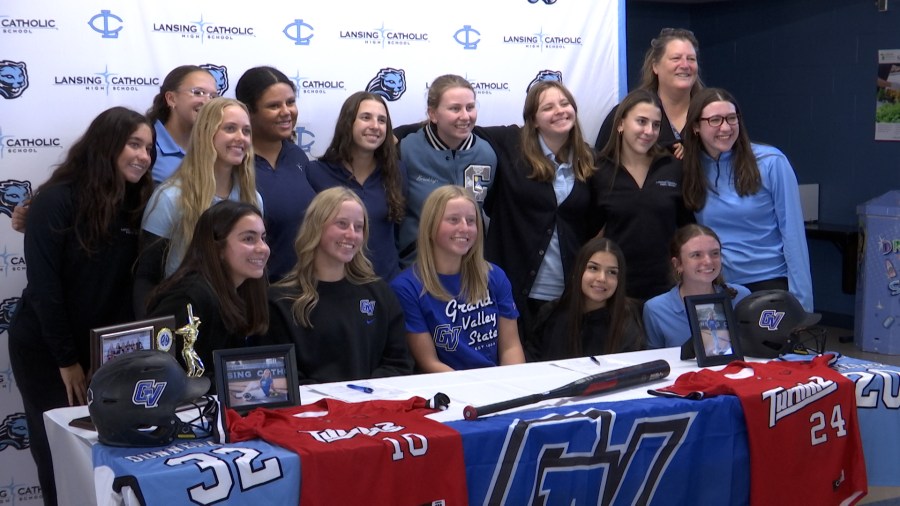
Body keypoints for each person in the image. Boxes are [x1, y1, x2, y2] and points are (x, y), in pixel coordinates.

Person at [7, 107, 155, 506]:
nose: (144, 156)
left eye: (149, 148)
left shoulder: (141, 201)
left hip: (106, 354)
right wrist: (67, 361)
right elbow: (45, 289)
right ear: (106, 146)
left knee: (105, 455)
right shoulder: (57, 200)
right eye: (134, 144)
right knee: (58, 453)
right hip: (48, 350)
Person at [478, 80, 599, 335]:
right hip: (512, 293)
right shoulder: (509, 143)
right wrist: (397, 135)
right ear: (532, 120)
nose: (560, 111)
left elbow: (592, 223)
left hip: (568, 295)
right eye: (548, 107)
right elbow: (459, 128)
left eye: (565, 104)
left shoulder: (588, 160)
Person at [681, 88, 813, 311]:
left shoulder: (771, 162)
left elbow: (793, 235)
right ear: (696, 126)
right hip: (717, 284)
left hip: (769, 282)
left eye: (732, 118)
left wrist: (802, 303)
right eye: (715, 120)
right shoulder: (690, 168)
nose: (725, 127)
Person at [263, 187, 412, 384]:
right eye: (342, 224)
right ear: (316, 226)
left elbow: (399, 363)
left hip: (371, 407)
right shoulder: (280, 301)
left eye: (358, 227)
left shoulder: (379, 293)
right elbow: (281, 378)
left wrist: (362, 397)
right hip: (312, 411)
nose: (351, 234)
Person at [136, 97, 263, 314]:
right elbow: (146, 278)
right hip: (184, 321)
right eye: (230, 128)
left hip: (235, 320)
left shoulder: (252, 198)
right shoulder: (170, 197)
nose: (241, 138)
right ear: (206, 133)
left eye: (246, 131)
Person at [391, 185, 525, 372]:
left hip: (496, 384)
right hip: (448, 390)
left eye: (471, 221)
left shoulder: (495, 276)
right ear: (430, 226)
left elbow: (510, 348)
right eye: (453, 220)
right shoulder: (406, 287)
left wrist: (513, 385)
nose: (464, 228)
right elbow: (429, 363)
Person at [147, 200, 269, 384]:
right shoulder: (188, 297)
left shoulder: (242, 290)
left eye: (263, 238)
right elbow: (165, 376)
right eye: (249, 239)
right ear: (217, 248)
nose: (263, 248)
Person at [593, 89, 693, 301]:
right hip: (614, 291)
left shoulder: (673, 166)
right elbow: (588, 236)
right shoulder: (597, 171)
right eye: (641, 121)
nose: (649, 131)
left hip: (665, 291)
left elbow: (687, 228)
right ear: (620, 124)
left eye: (656, 125)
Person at [395, 74, 498, 264]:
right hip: (416, 266)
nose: (465, 116)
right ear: (433, 114)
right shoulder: (406, 150)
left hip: (467, 268)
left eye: (470, 107)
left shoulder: (487, 154)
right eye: (454, 108)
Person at [307, 91, 406, 280]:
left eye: (382, 120)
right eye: (366, 117)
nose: (375, 126)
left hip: (386, 286)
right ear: (348, 122)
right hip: (336, 286)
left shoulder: (397, 172)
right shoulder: (315, 173)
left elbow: (398, 233)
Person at [235, 66, 315, 281]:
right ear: (248, 111)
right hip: (255, 293)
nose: (286, 112)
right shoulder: (234, 162)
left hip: (302, 290)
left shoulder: (297, 155)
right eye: (273, 106)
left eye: (290, 102)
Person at [529, 237, 644, 361]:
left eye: (612, 272)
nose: (602, 278)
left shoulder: (626, 324)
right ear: (578, 271)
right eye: (593, 268)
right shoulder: (551, 313)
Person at [594, 28, 702, 159]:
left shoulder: (710, 115)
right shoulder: (626, 113)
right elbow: (600, 167)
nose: (685, 65)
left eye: (691, 59)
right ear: (655, 66)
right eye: (676, 58)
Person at [643, 224, 751, 349]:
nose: (708, 261)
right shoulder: (656, 309)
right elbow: (654, 359)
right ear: (678, 264)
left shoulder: (741, 296)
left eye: (715, 253)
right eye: (696, 255)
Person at [146, 65, 218, 183]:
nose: (207, 102)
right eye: (198, 92)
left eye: (213, 96)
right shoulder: (146, 145)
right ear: (171, 99)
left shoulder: (214, 147)